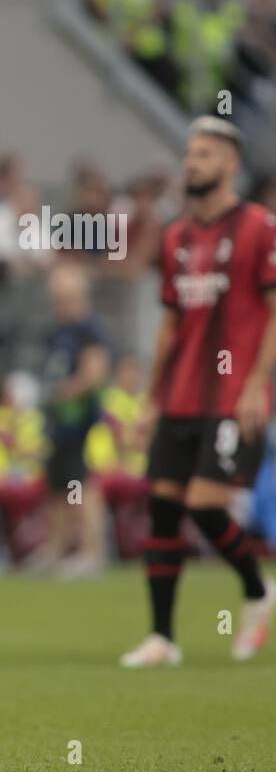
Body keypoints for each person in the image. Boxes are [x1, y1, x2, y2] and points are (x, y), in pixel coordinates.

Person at [121, 118, 276, 667]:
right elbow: (169, 327)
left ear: (231, 164)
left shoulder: (260, 227)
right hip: (181, 394)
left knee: (205, 505)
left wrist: (259, 385)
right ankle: (162, 638)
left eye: (205, 154)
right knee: (163, 508)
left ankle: (258, 592)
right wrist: (150, 400)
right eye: (189, 154)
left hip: (233, 395)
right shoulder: (174, 236)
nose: (192, 163)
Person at [28, 264, 111, 579]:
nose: (60, 305)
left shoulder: (89, 330)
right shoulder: (57, 331)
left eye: (66, 298)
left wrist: (65, 392)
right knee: (55, 486)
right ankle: (56, 549)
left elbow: (94, 373)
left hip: (79, 420)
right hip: (57, 422)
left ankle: (92, 551)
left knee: (81, 484)